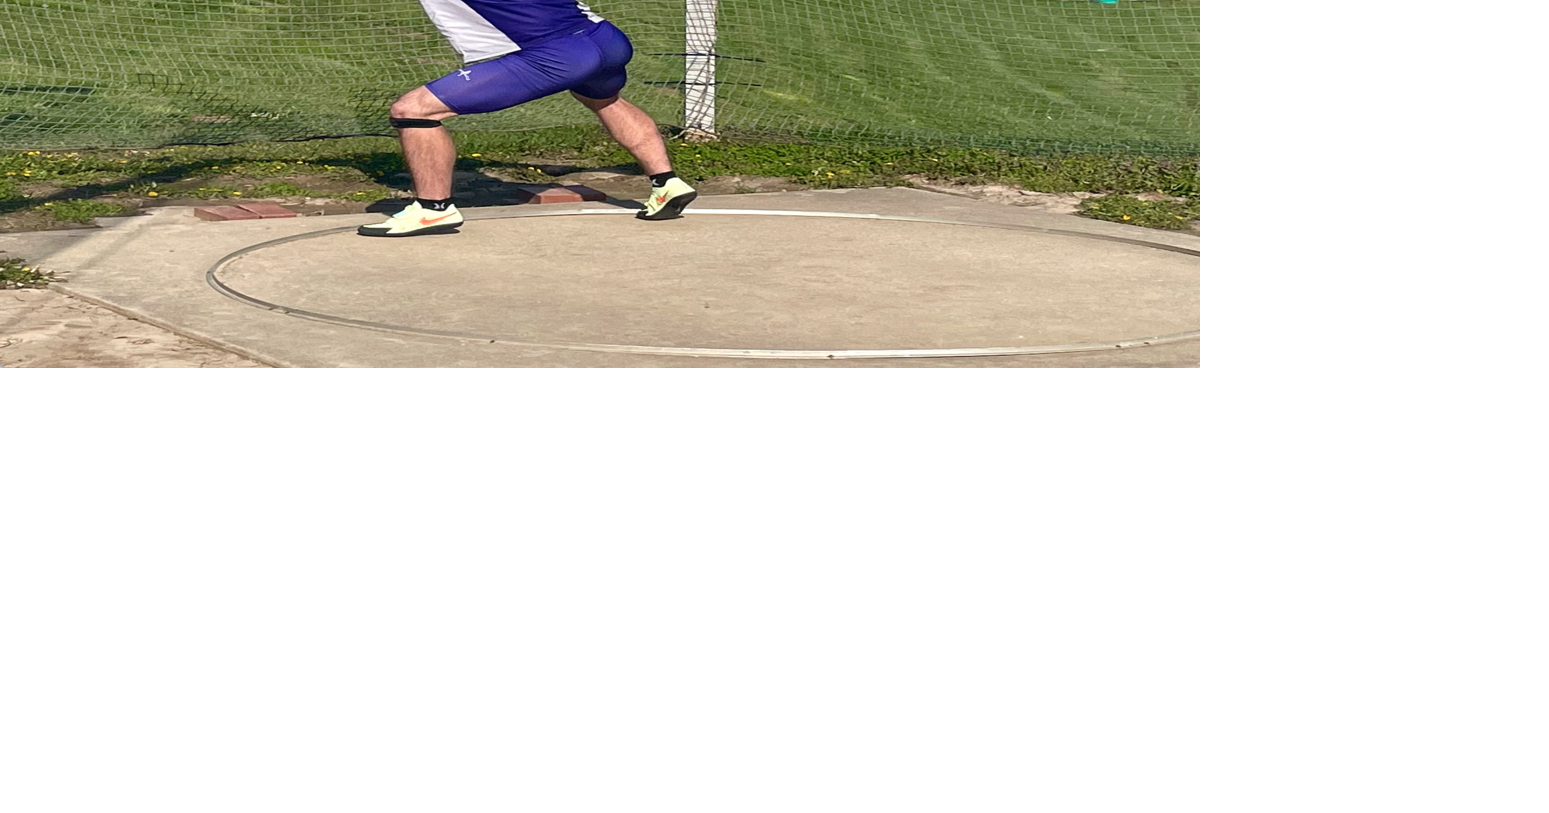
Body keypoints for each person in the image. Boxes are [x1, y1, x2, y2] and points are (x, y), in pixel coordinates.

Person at [359, 0, 697, 237]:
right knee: (605, 100)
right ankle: (666, 183)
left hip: (559, 54)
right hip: (604, 39)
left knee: (412, 110)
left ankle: (433, 209)